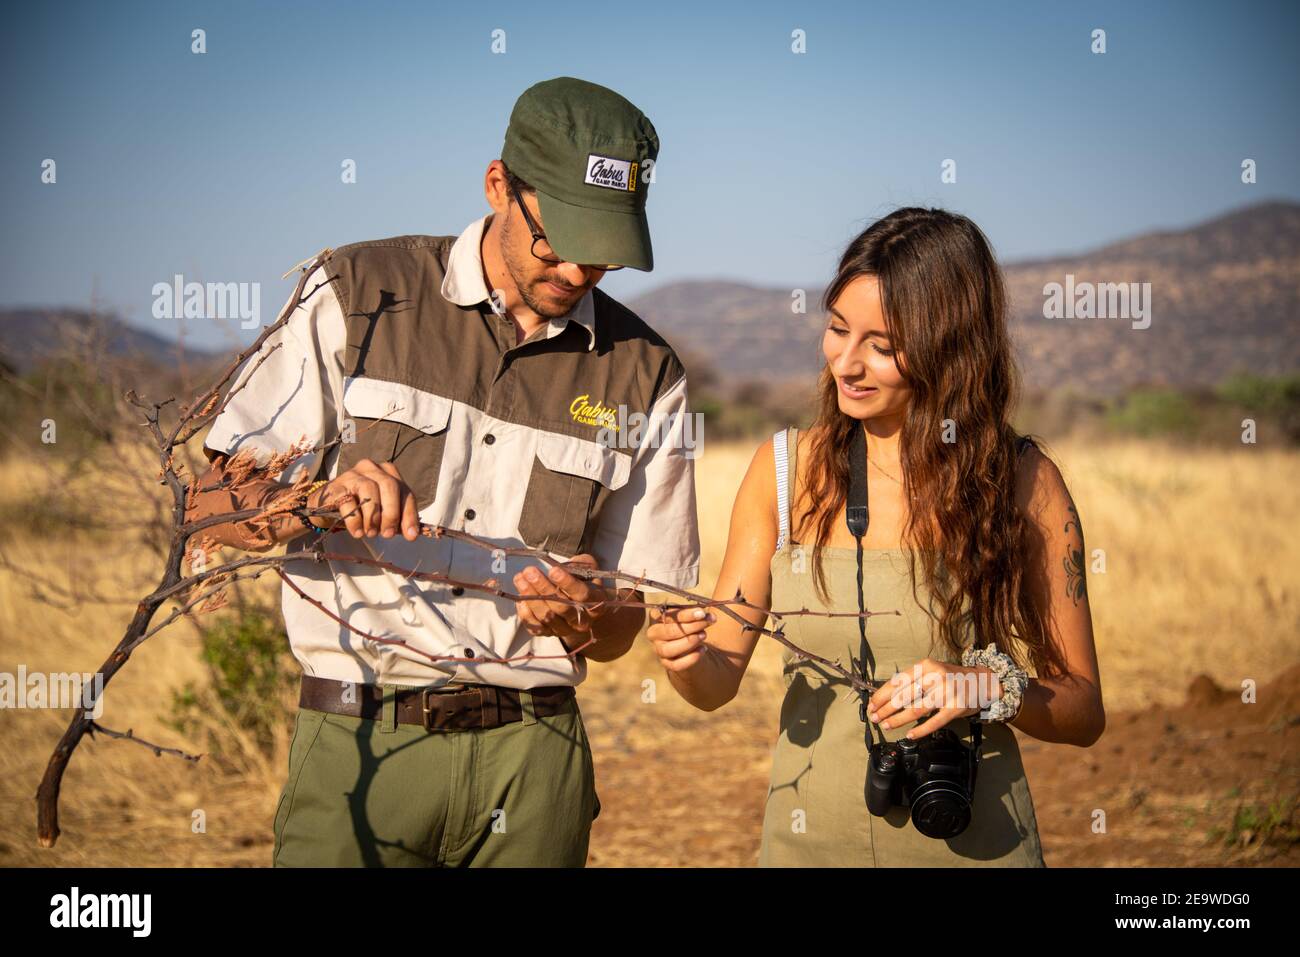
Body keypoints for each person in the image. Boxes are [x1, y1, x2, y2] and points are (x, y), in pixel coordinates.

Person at [185, 77, 700, 867]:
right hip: (359, 750)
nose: (578, 268)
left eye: (605, 250)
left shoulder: (648, 374)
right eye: (558, 236)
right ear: (499, 185)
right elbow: (213, 507)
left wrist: (584, 610)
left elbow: (629, 617)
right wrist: (319, 502)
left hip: (536, 765)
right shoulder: (356, 292)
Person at [647, 207, 1104, 866]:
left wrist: (988, 688)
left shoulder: (1025, 481)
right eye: (837, 329)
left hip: (973, 843)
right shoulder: (784, 472)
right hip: (808, 845)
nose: (847, 363)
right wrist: (687, 660)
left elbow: (1085, 710)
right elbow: (716, 681)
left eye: (882, 345)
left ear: (952, 348)